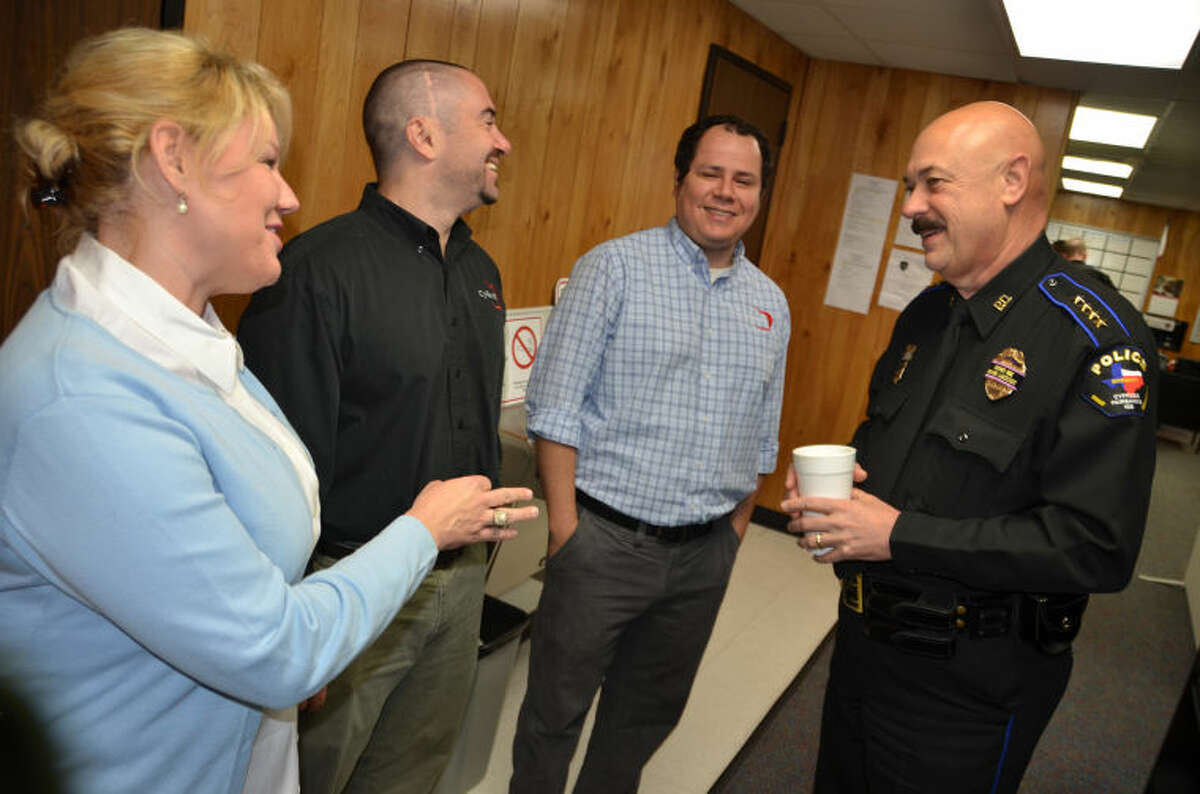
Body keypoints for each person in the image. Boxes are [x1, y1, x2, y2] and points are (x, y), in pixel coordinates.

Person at [0, 29, 535, 794]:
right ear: (173, 159)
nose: (288, 194)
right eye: (268, 161)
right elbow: (275, 645)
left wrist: (310, 617)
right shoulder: (75, 401)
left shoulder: (195, 338)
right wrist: (420, 532)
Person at [782, 101, 1157, 793]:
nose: (911, 207)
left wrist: (899, 536)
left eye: (933, 184)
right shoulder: (929, 312)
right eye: (908, 187)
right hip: (862, 649)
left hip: (969, 688)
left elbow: (1094, 546)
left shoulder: (1096, 338)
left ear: (1011, 181)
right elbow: (892, 448)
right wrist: (839, 492)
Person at [237, 59, 513, 794]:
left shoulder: (483, 273)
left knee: (409, 779)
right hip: (347, 589)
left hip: (457, 589)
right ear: (424, 134)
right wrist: (293, 629)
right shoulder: (313, 273)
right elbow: (271, 477)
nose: (504, 142)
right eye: (488, 120)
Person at [509, 115, 791, 794]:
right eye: (710, 173)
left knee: (642, 722)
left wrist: (735, 530)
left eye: (743, 179)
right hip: (603, 542)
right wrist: (567, 530)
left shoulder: (771, 304)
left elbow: (762, 432)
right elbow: (555, 407)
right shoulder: (614, 267)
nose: (726, 192)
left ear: (759, 194)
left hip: (704, 556)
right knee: (555, 715)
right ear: (680, 180)